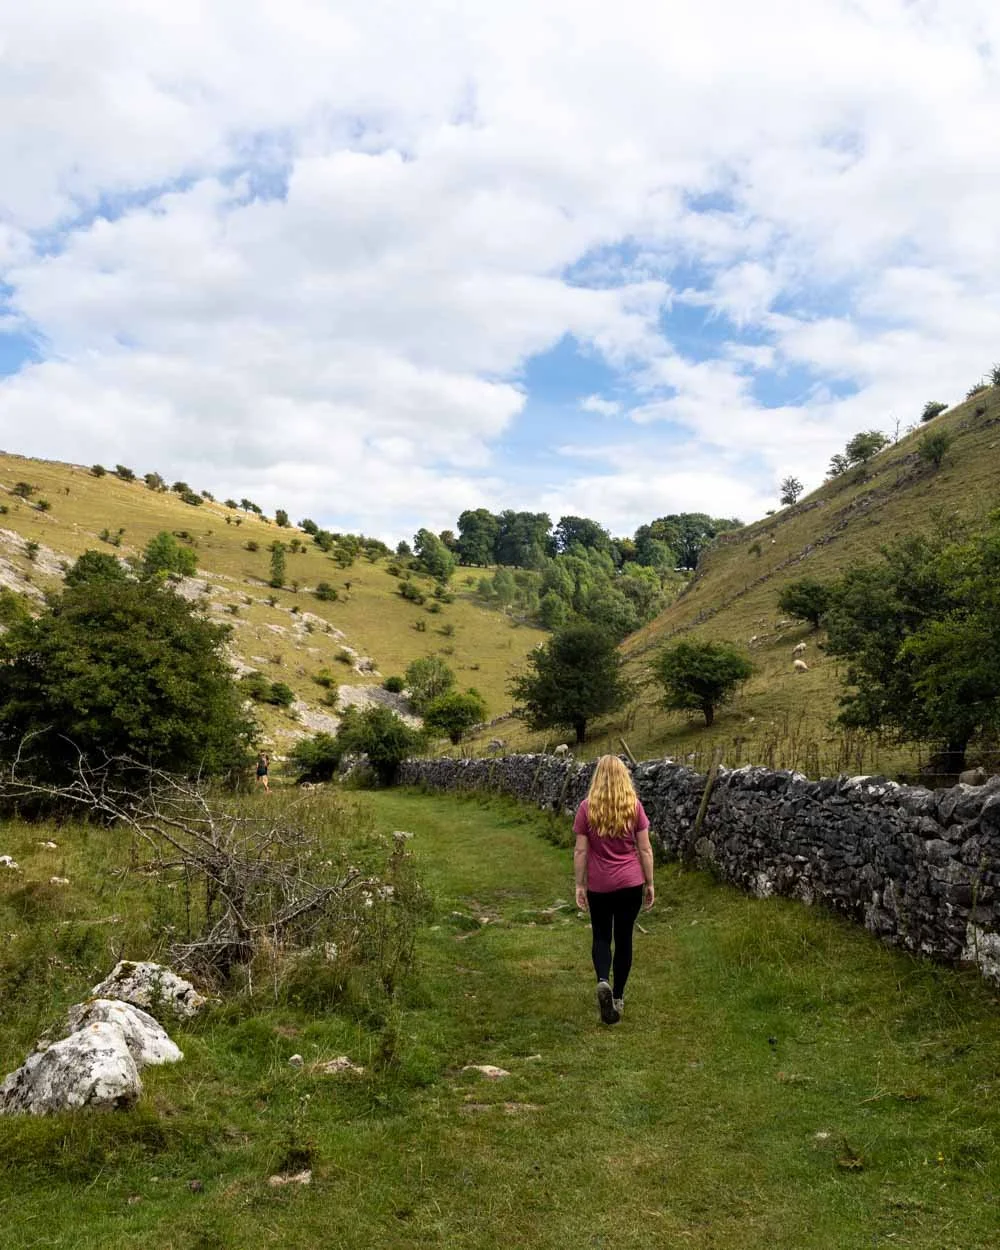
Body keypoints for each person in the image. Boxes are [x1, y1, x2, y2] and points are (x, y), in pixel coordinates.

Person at [573, 755, 654, 1024]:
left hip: (599, 884)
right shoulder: (633, 807)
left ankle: (602, 980)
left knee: (601, 936)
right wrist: (650, 883)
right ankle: (617, 997)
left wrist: (580, 884)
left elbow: (580, 851)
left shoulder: (587, 808)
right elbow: (645, 848)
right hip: (630, 883)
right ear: (624, 777)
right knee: (624, 938)